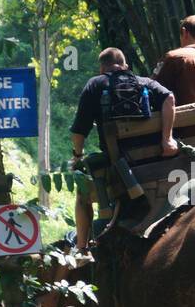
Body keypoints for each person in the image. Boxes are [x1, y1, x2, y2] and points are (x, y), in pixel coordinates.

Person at [69, 47, 178, 248]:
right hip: (155, 159)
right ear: (126, 66)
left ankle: (82, 248)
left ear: (102, 68)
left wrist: (77, 155)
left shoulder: (95, 84)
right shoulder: (145, 82)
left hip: (120, 164)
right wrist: (167, 139)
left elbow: (78, 131)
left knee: (82, 192)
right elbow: (169, 98)